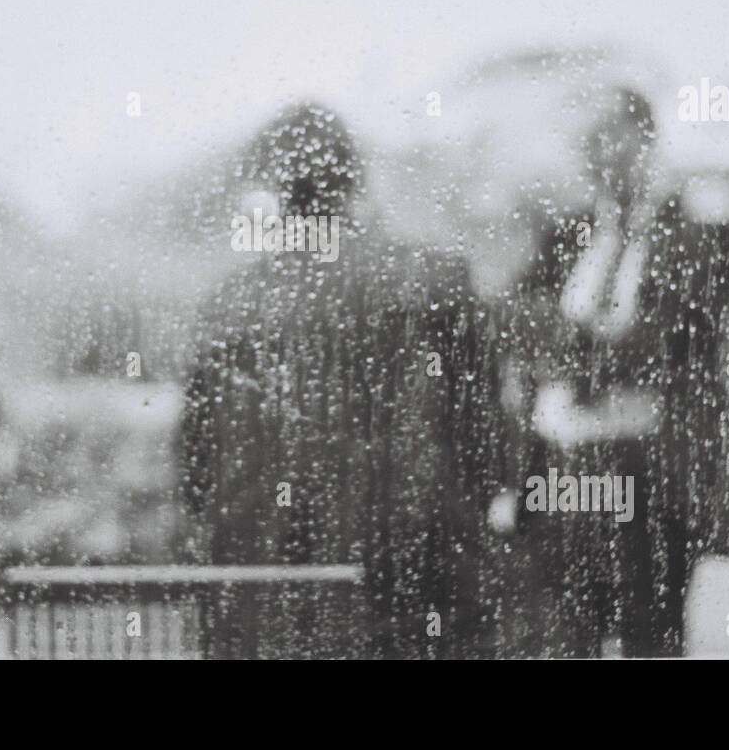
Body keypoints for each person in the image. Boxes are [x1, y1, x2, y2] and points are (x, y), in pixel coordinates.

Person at [179, 102, 498, 658]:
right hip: (411, 569)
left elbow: (199, 467)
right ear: (355, 177)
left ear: (276, 189)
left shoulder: (229, 305)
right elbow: (480, 435)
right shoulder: (432, 278)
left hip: (269, 580)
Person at [492, 85, 729, 657]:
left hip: (654, 464)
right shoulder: (565, 233)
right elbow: (517, 322)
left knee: (653, 624)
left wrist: (577, 349)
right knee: (568, 627)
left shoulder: (693, 229)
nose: (595, 153)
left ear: (645, 141)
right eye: (586, 141)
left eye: (608, 137)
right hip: (567, 466)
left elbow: (677, 334)